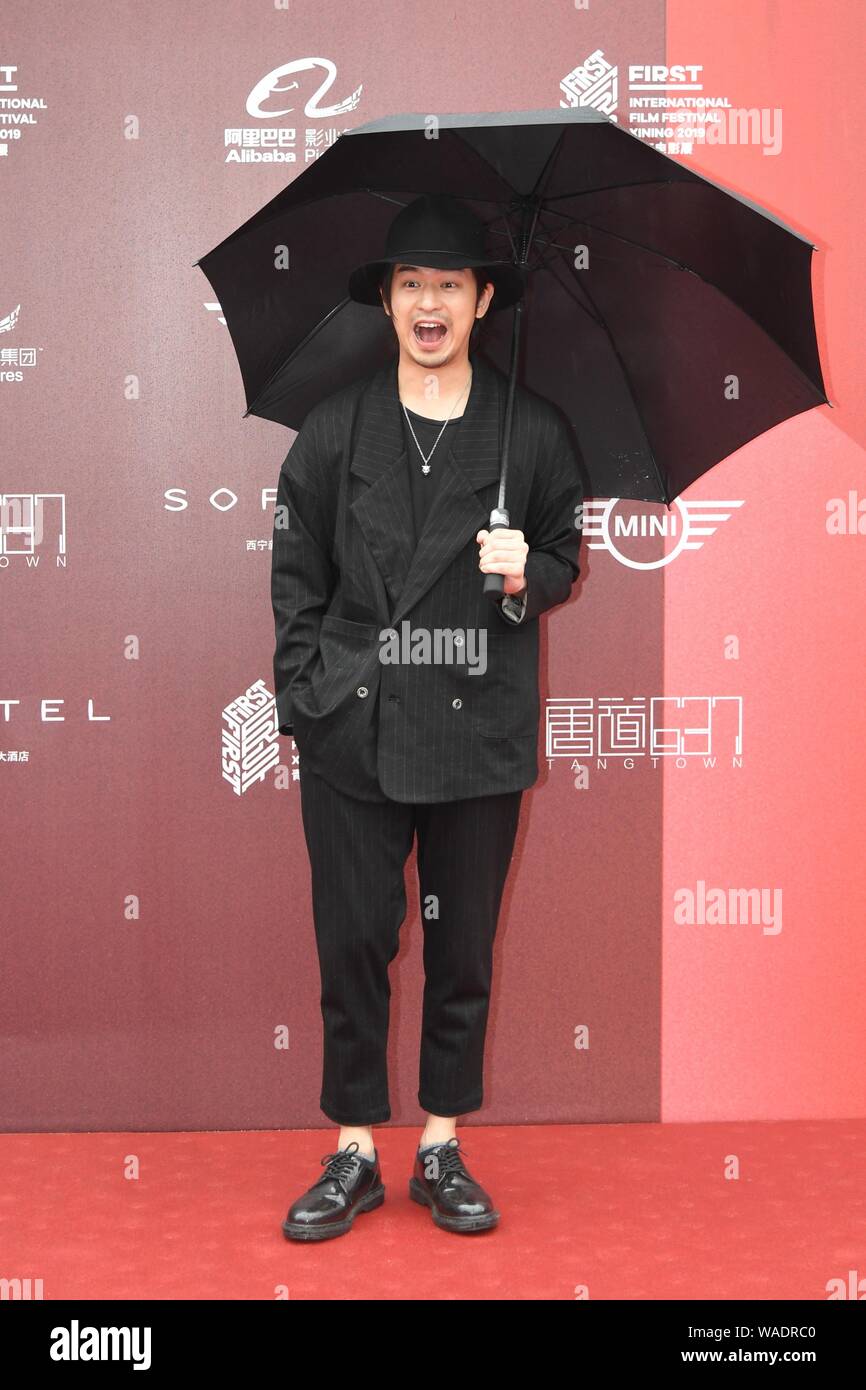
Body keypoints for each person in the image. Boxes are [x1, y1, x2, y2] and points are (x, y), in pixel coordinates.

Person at [271, 194, 584, 1240]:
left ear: (484, 299)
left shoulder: (531, 433)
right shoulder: (332, 430)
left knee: (461, 956)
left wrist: (520, 577)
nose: (429, 303)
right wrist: (308, 695)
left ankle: (440, 1144)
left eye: (450, 283)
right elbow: (294, 578)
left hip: (473, 730)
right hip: (352, 730)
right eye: (410, 284)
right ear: (386, 302)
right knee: (352, 941)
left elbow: (561, 559)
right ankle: (355, 1148)